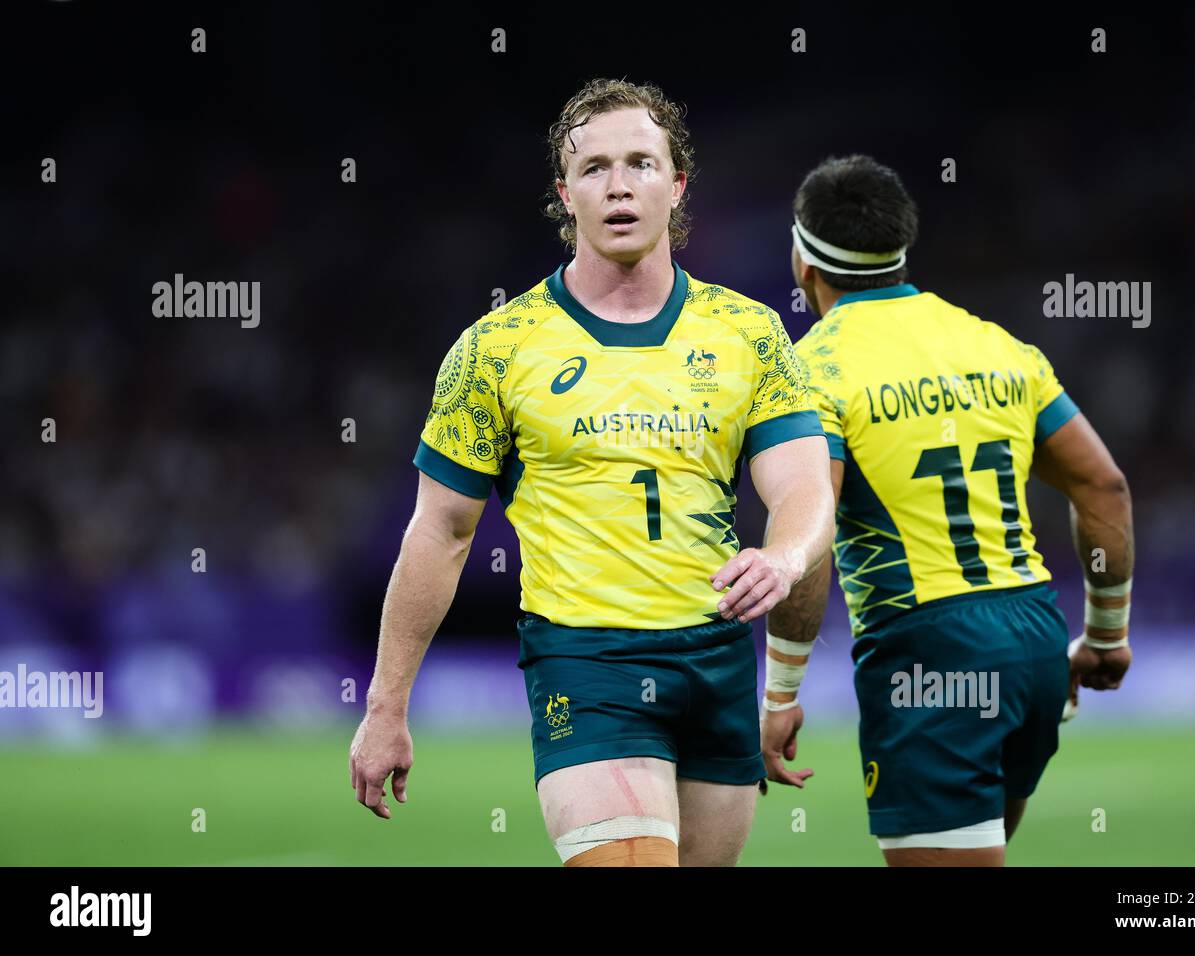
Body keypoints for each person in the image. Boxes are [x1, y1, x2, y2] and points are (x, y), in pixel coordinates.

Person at [348, 79, 835, 867]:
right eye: (595, 166)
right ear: (563, 194)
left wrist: (781, 557)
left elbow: (807, 489)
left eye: (642, 163)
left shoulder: (750, 333)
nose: (618, 184)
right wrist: (385, 704)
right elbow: (440, 530)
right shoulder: (495, 350)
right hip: (589, 666)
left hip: (715, 665)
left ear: (675, 187)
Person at [761, 155, 1134, 866]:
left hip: (928, 651)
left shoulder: (814, 369)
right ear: (901, 247)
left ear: (802, 260)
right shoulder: (995, 345)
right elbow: (1103, 486)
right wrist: (1106, 637)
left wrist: (780, 694)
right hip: (1033, 640)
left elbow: (810, 537)